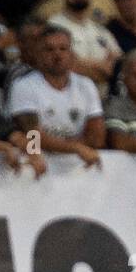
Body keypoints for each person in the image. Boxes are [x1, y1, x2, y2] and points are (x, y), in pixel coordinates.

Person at [7, 25, 104, 167]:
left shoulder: (86, 85)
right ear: (38, 54)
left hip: (77, 165)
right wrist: (75, 148)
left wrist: (68, 148)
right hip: (37, 164)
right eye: (49, 49)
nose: (57, 55)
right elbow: (33, 138)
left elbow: (97, 138)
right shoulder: (23, 85)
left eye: (63, 49)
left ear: (72, 53)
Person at [48, 0, 121, 91]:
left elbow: (118, 64)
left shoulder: (100, 29)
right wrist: (102, 68)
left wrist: (83, 64)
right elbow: (66, 65)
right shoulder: (54, 26)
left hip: (104, 101)